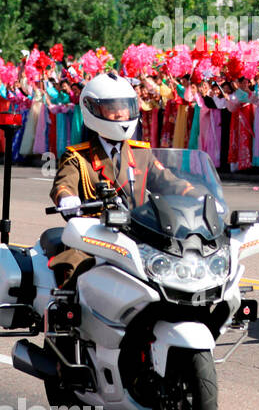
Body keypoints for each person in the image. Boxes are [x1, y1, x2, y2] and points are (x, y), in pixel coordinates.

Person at [48, 72, 192, 287]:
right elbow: (64, 184)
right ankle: (68, 316)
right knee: (75, 266)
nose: (120, 114)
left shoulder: (141, 153)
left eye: (125, 108)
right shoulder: (77, 156)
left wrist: (198, 196)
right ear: (93, 110)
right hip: (95, 235)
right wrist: (68, 199)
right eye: (112, 108)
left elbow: (168, 181)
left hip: (141, 233)